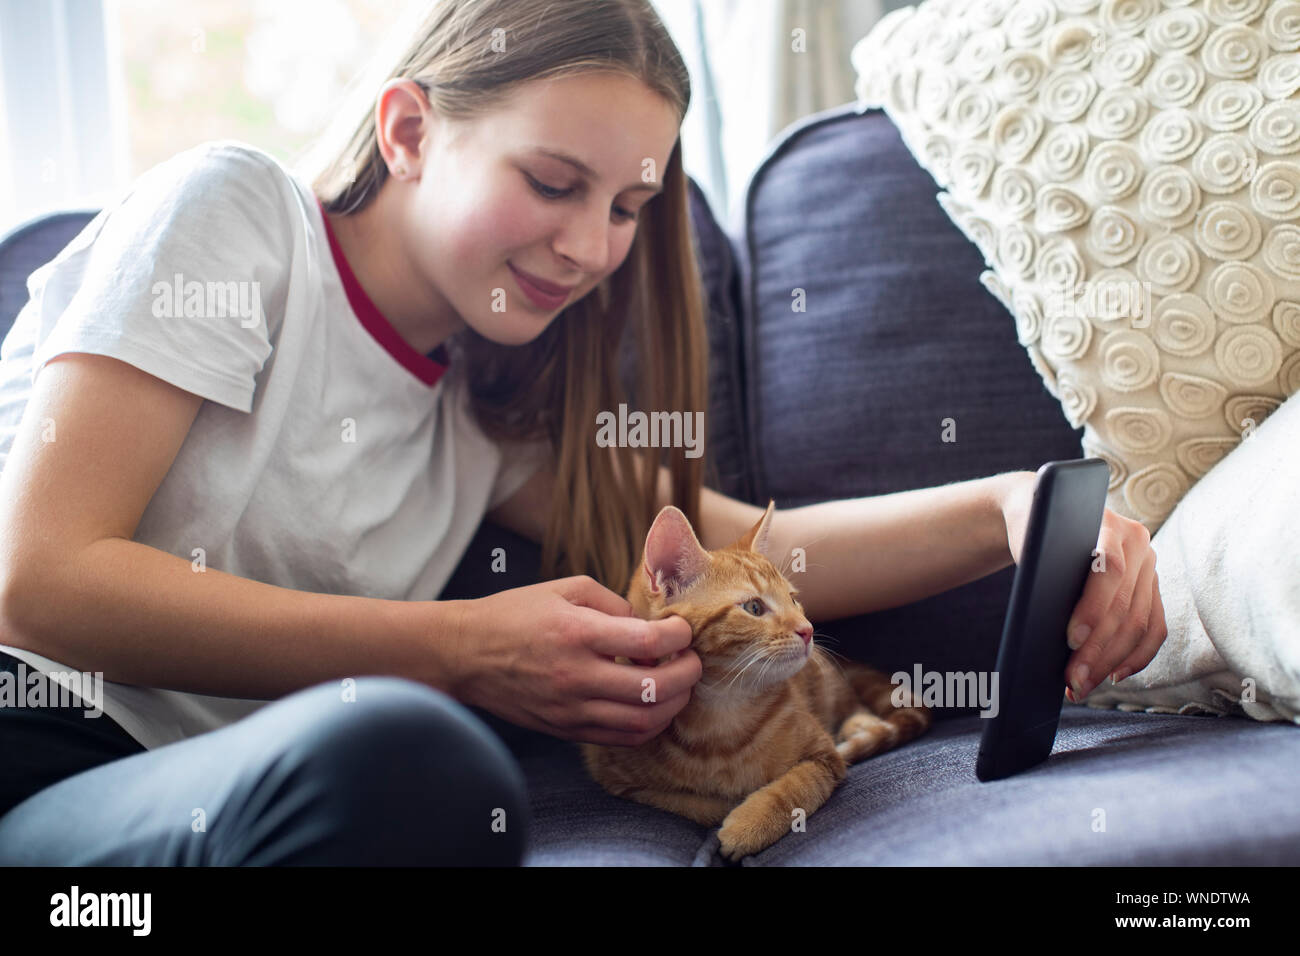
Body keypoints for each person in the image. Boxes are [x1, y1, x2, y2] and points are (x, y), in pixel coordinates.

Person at [0, 0, 1167, 866]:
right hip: (36, 748)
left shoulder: (483, 405)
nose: (592, 247)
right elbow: (41, 582)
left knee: (412, 777)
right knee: (416, 756)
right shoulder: (234, 214)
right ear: (407, 129)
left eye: (626, 206)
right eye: (553, 181)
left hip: (219, 793)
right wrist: (458, 648)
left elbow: (764, 546)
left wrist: (1010, 505)